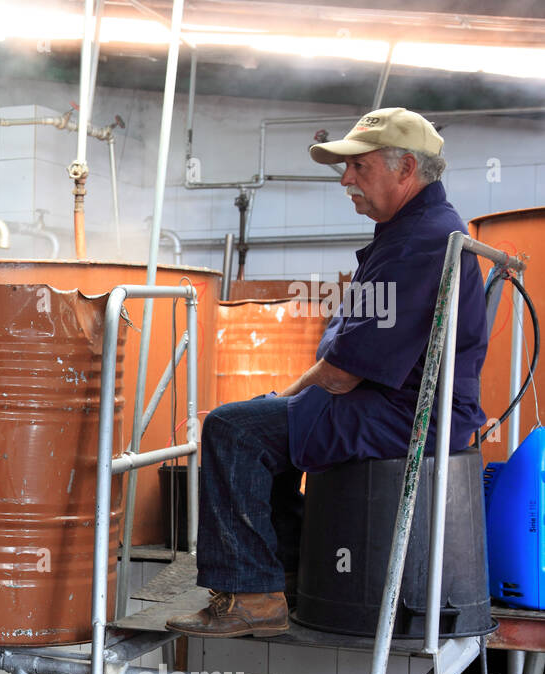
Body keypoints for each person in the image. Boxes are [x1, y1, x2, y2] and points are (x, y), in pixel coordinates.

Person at [166, 107, 488, 638]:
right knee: (264, 422)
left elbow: (341, 374)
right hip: (402, 404)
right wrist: (286, 405)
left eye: (359, 168)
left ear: (406, 168)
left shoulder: (418, 241)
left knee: (232, 429)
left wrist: (282, 402)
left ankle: (252, 594)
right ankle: (288, 570)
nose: (346, 181)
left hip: (409, 415)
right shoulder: (412, 230)